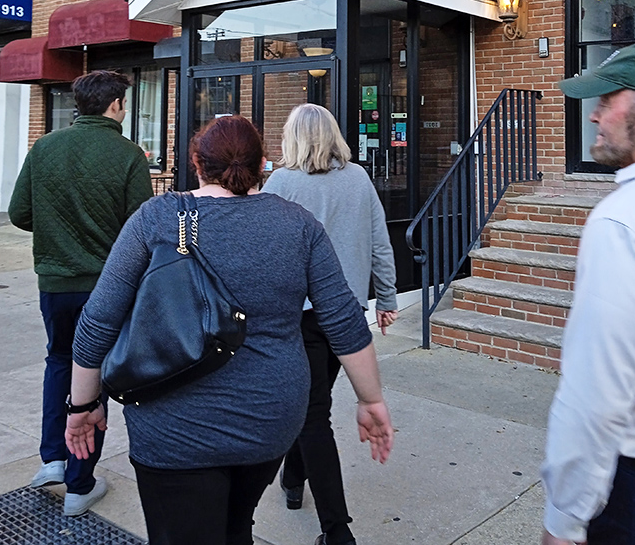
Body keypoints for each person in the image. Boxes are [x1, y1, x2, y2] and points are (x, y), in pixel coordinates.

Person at [65, 115, 393, 545]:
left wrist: (82, 405)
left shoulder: (157, 219)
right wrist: (371, 400)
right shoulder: (298, 225)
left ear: (197, 163)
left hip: (172, 430)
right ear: (262, 166)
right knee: (237, 525)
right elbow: (345, 321)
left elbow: (98, 322)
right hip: (269, 423)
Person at [541, 40, 635, 545]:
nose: (593, 116)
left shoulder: (625, 220)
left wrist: (565, 519)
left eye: (607, 100)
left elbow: (593, 395)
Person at [8, 69, 153, 516]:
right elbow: (142, 229)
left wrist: (56, 229)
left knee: (59, 362)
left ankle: (53, 458)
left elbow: (18, 213)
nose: (125, 111)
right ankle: (80, 481)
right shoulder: (128, 155)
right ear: (114, 106)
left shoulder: (45, 147)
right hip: (107, 286)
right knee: (95, 375)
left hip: (55, 282)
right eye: (125, 104)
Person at [264, 103, 398, 545]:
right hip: (345, 315)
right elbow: (380, 240)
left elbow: (267, 250)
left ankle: (337, 531)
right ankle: (293, 480)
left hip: (298, 315)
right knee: (312, 407)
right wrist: (387, 297)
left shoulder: (281, 182)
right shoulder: (358, 178)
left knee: (312, 414)